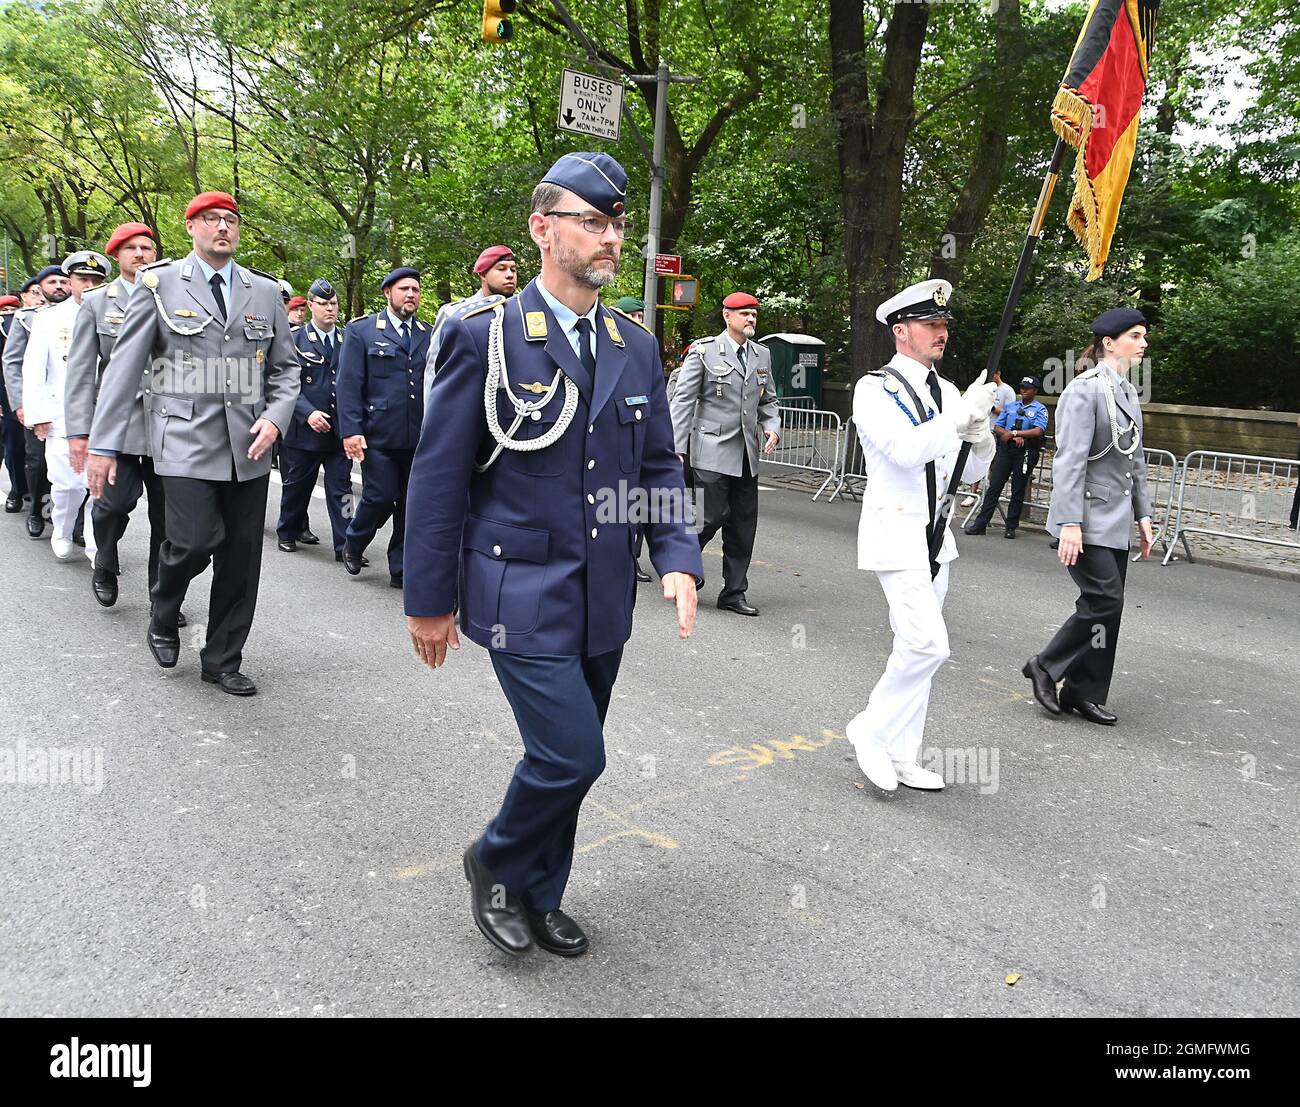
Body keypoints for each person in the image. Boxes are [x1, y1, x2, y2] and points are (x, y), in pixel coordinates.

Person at [405, 151, 702, 958]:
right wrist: (428, 600)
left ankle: (542, 893)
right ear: (543, 230)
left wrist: (676, 552)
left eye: (616, 225)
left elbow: (657, 465)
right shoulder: (487, 336)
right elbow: (437, 478)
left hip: (604, 591)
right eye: (594, 223)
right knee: (573, 752)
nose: (611, 239)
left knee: (565, 760)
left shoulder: (635, 346)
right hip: (519, 583)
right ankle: (494, 862)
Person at [87, 191, 300, 696]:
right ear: (191, 228)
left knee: (243, 557)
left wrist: (275, 419)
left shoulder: (264, 292)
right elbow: (123, 368)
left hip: (248, 442)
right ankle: (164, 607)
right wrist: (102, 444)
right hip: (182, 436)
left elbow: (286, 368)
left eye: (230, 220)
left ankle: (222, 658)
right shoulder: (159, 285)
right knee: (194, 540)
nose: (222, 227)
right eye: (210, 220)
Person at [844, 279, 998, 793]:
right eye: (931, 325)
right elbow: (905, 451)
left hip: (938, 538)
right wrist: (958, 420)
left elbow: (971, 472)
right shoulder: (875, 389)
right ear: (900, 331)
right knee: (928, 645)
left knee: (914, 651)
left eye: (944, 325)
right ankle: (870, 728)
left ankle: (903, 753)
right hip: (896, 533)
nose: (941, 334)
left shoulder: (950, 391)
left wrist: (980, 438)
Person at [1024, 308, 1154, 727]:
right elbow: (1070, 461)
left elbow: (1135, 461)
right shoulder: (1084, 390)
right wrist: (1069, 523)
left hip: (1116, 519)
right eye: (1136, 336)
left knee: (1107, 610)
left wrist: (1144, 515)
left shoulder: (1128, 392)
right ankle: (1045, 664)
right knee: (1105, 599)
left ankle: (1084, 693)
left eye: (1144, 336)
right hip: (1086, 517)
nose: (1144, 343)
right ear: (1110, 343)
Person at [64, 222, 183, 617]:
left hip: (171, 428)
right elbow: (82, 373)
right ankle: (105, 562)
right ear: (116, 256)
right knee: (112, 506)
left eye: (147, 247)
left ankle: (161, 594)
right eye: (131, 248)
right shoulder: (98, 303)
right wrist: (80, 432)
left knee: (169, 521)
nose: (141, 254)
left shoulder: (176, 296)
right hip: (121, 427)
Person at [668, 292, 780, 616]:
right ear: (727, 316)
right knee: (709, 515)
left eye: (754, 315)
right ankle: (682, 567)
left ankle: (733, 592)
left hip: (746, 453)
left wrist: (772, 425)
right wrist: (675, 449)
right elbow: (683, 402)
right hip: (711, 451)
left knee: (744, 526)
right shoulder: (704, 353)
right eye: (744, 314)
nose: (750, 320)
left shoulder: (762, 355)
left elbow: (768, 400)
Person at [336, 267, 429, 587]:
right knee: (380, 495)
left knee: (409, 505)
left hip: (417, 436)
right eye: (404, 289)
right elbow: (348, 384)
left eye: (416, 290)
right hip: (377, 434)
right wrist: (351, 430)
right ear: (388, 293)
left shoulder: (427, 334)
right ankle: (355, 539)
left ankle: (400, 567)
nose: (411, 295)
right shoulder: (362, 331)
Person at [23, 252, 111, 561]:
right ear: (70, 281)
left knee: (97, 484)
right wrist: (38, 415)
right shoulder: (48, 318)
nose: (88, 286)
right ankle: (61, 527)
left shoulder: (113, 314)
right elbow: (34, 368)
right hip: (60, 414)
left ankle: (93, 540)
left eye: (95, 280)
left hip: (103, 414)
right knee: (67, 484)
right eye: (82, 279)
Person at [276, 278, 353, 560]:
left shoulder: (349, 340)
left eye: (333, 304)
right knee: (297, 486)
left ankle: (347, 546)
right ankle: (287, 531)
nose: (329, 309)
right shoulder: (295, 340)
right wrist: (308, 413)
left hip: (339, 431)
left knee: (342, 490)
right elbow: (287, 384)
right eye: (323, 304)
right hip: (304, 431)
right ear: (310, 306)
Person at [4, 265, 70, 538]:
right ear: (40, 287)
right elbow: (12, 362)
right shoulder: (26, 318)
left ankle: (74, 523)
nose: (59, 286)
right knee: (38, 461)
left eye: (63, 281)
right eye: (52, 281)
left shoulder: (85, 313)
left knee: (77, 466)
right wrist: (20, 404)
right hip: (39, 402)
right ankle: (37, 511)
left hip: (74, 403)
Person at [424, 245, 517, 406]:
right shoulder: (455, 314)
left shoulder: (521, 313)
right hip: (466, 406)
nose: (509, 275)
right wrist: (432, 421)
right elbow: (434, 371)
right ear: (483, 274)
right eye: (501, 269)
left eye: (513, 270)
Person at [963, 374, 1049, 539]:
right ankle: (980, 524)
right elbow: (998, 426)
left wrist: (1015, 433)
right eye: (1022, 387)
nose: (1023, 390)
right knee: (994, 486)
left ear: (1035, 390)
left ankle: (1011, 526)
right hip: (1006, 450)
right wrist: (1010, 435)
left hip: (1025, 452)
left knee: (1018, 489)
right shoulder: (1011, 406)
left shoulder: (1040, 409)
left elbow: (1038, 430)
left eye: (1027, 388)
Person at [0, 293, 29, 512]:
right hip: (8, 395)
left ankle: (39, 496)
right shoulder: (8, 325)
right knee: (14, 446)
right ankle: (17, 490)